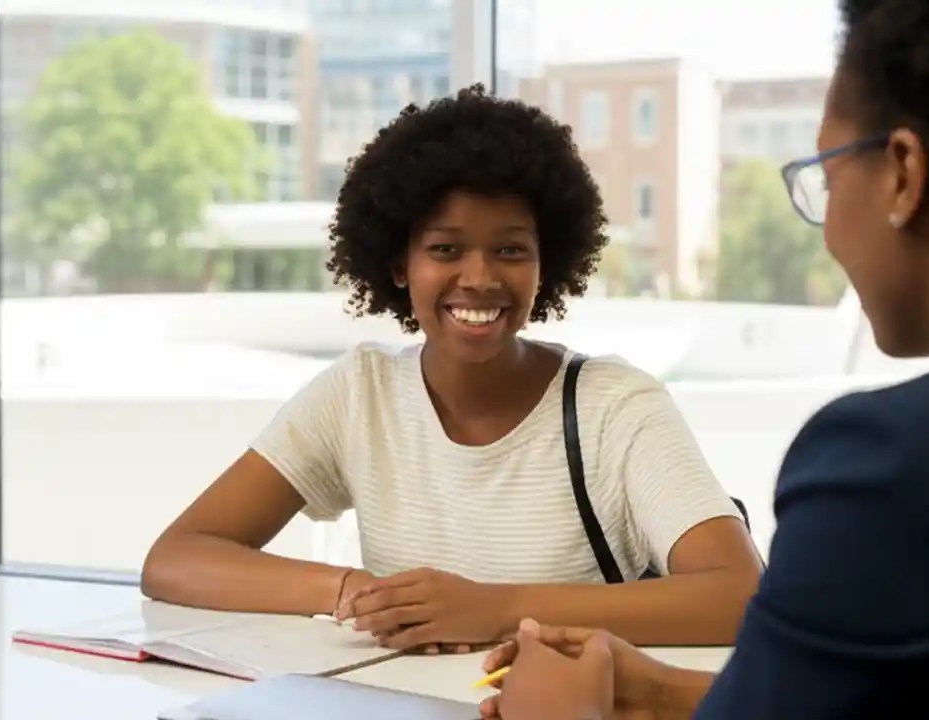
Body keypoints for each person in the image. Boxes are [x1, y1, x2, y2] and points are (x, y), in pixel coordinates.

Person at [480, 0, 929, 716]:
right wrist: (659, 691)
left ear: (904, 174)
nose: (828, 231)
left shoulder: (903, 465)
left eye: (827, 172)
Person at [141, 85, 763, 652]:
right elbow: (175, 558)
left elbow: (740, 596)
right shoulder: (362, 394)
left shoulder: (615, 407)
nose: (480, 278)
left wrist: (499, 610)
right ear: (398, 264)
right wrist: (355, 592)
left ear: (546, 264)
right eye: (445, 248)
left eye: (511, 250)